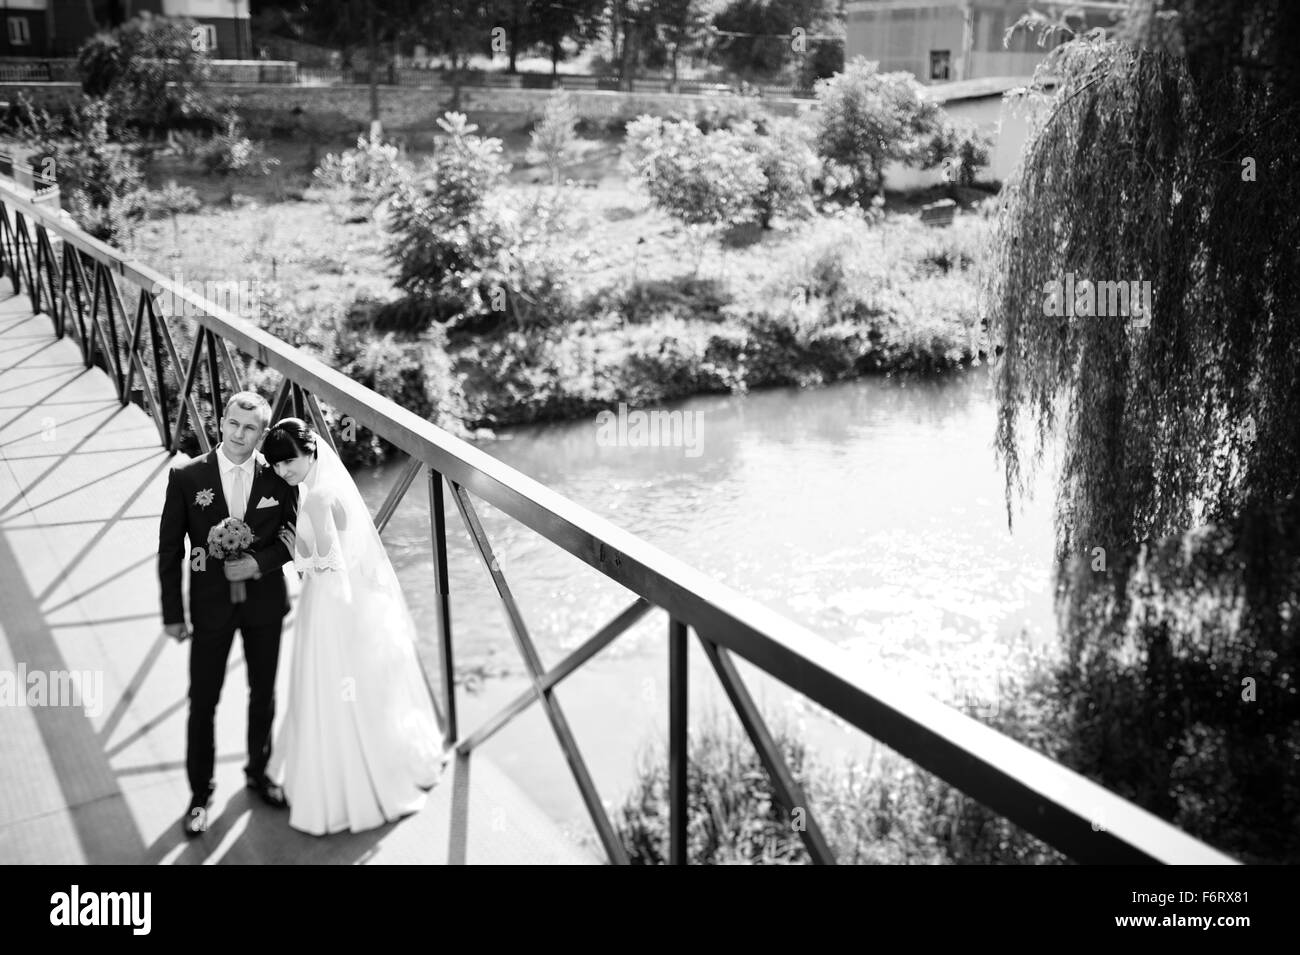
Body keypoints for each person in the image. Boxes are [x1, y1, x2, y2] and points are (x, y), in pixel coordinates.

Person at [262, 418, 446, 834]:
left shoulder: (315, 499)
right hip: (355, 600)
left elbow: (328, 569)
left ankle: (342, 787)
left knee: (330, 687)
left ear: (310, 452)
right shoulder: (330, 488)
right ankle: (371, 762)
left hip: (330, 607)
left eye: (288, 461)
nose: (282, 471)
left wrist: (300, 559)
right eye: (276, 465)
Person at [158, 392, 299, 837]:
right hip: (210, 607)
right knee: (203, 700)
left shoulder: (279, 476)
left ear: (263, 432)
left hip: (264, 605)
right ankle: (200, 794)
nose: (240, 435)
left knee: (264, 693)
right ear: (222, 422)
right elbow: (169, 551)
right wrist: (173, 614)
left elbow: (293, 535)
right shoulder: (185, 477)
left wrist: (261, 562)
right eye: (234, 424)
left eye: (250, 428)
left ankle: (258, 773)